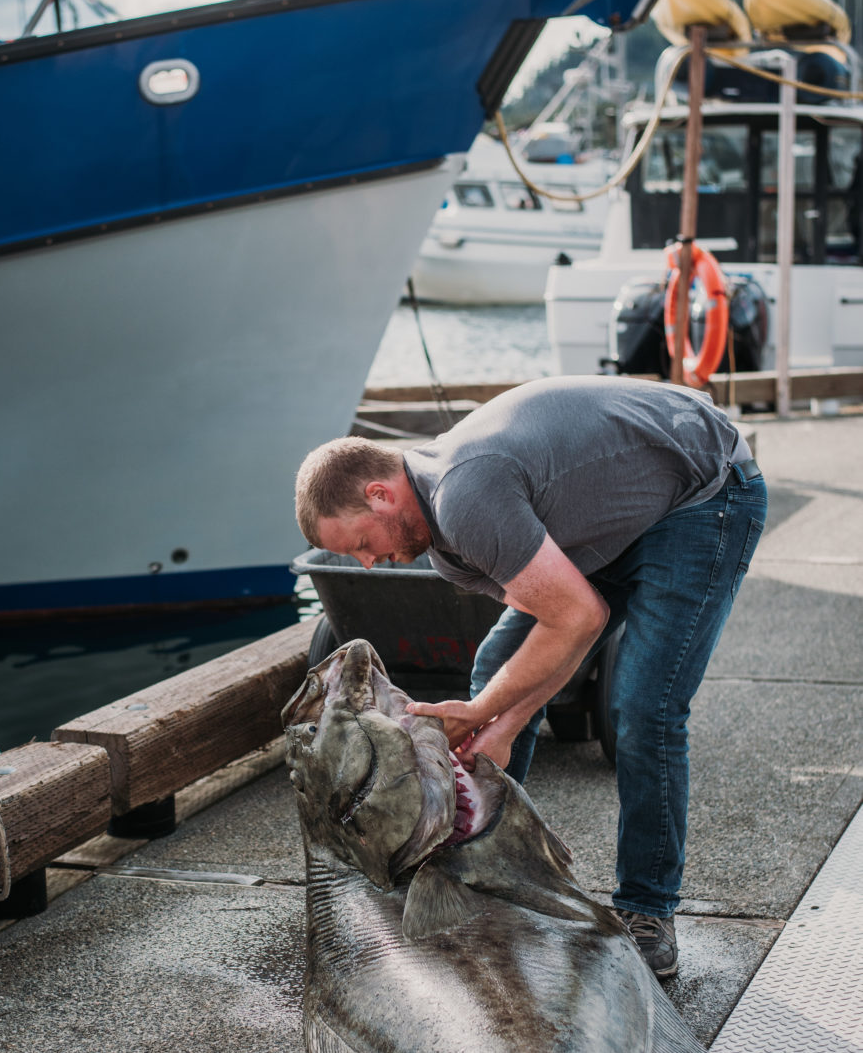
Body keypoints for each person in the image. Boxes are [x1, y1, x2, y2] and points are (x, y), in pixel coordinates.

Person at [294, 375, 767, 979]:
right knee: (498, 668)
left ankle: (648, 908)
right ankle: (475, 868)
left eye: (361, 542)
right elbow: (567, 626)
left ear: (380, 494)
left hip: (705, 491)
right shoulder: (448, 555)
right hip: (625, 507)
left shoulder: (464, 498)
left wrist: (482, 711)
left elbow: (578, 618)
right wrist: (506, 723)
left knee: (645, 708)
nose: (366, 563)